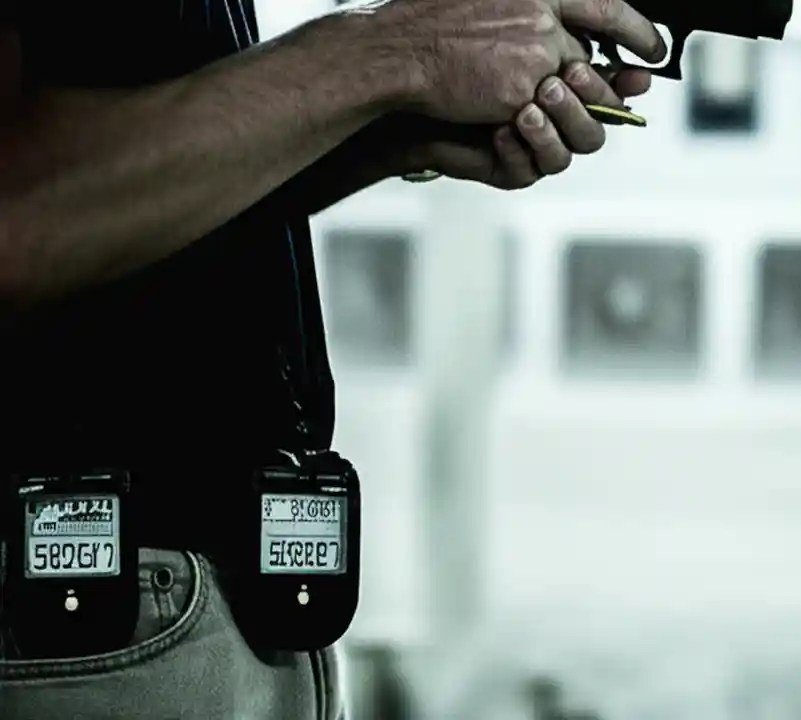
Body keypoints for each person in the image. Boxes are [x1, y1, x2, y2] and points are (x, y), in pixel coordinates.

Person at [0, 0, 665, 717]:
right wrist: (400, 51)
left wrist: (380, 129)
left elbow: (122, 211)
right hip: (87, 622)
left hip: (216, 614)